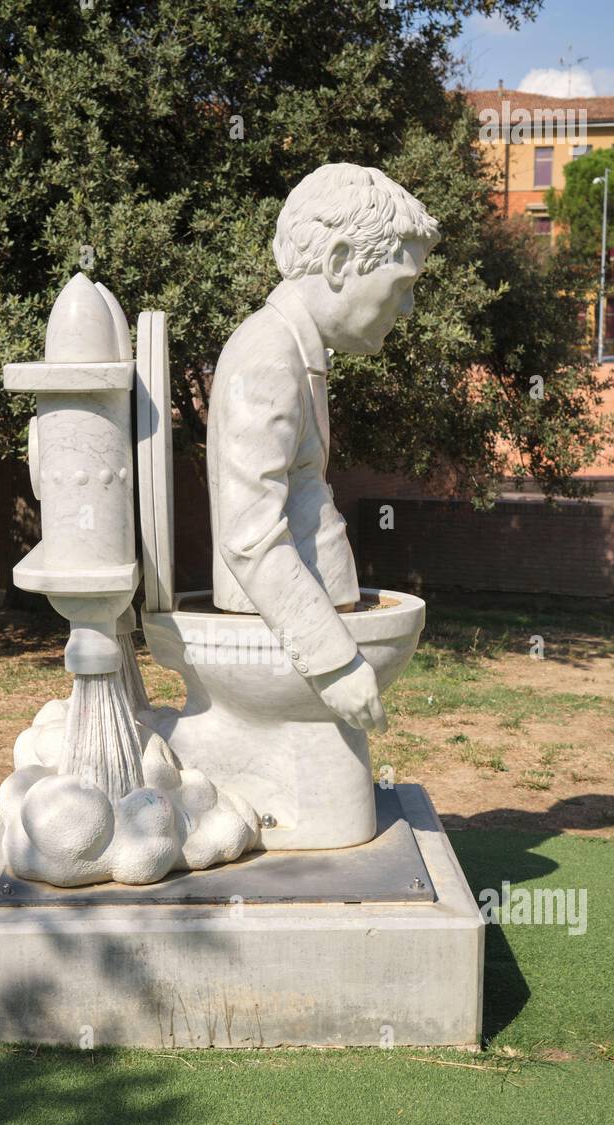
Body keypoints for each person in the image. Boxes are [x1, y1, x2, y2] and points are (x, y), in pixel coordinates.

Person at [206, 162, 440, 731]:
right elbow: (248, 531)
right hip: (287, 627)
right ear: (339, 262)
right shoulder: (268, 356)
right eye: (401, 286)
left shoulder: (294, 350)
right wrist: (333, 664)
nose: (406, 310)